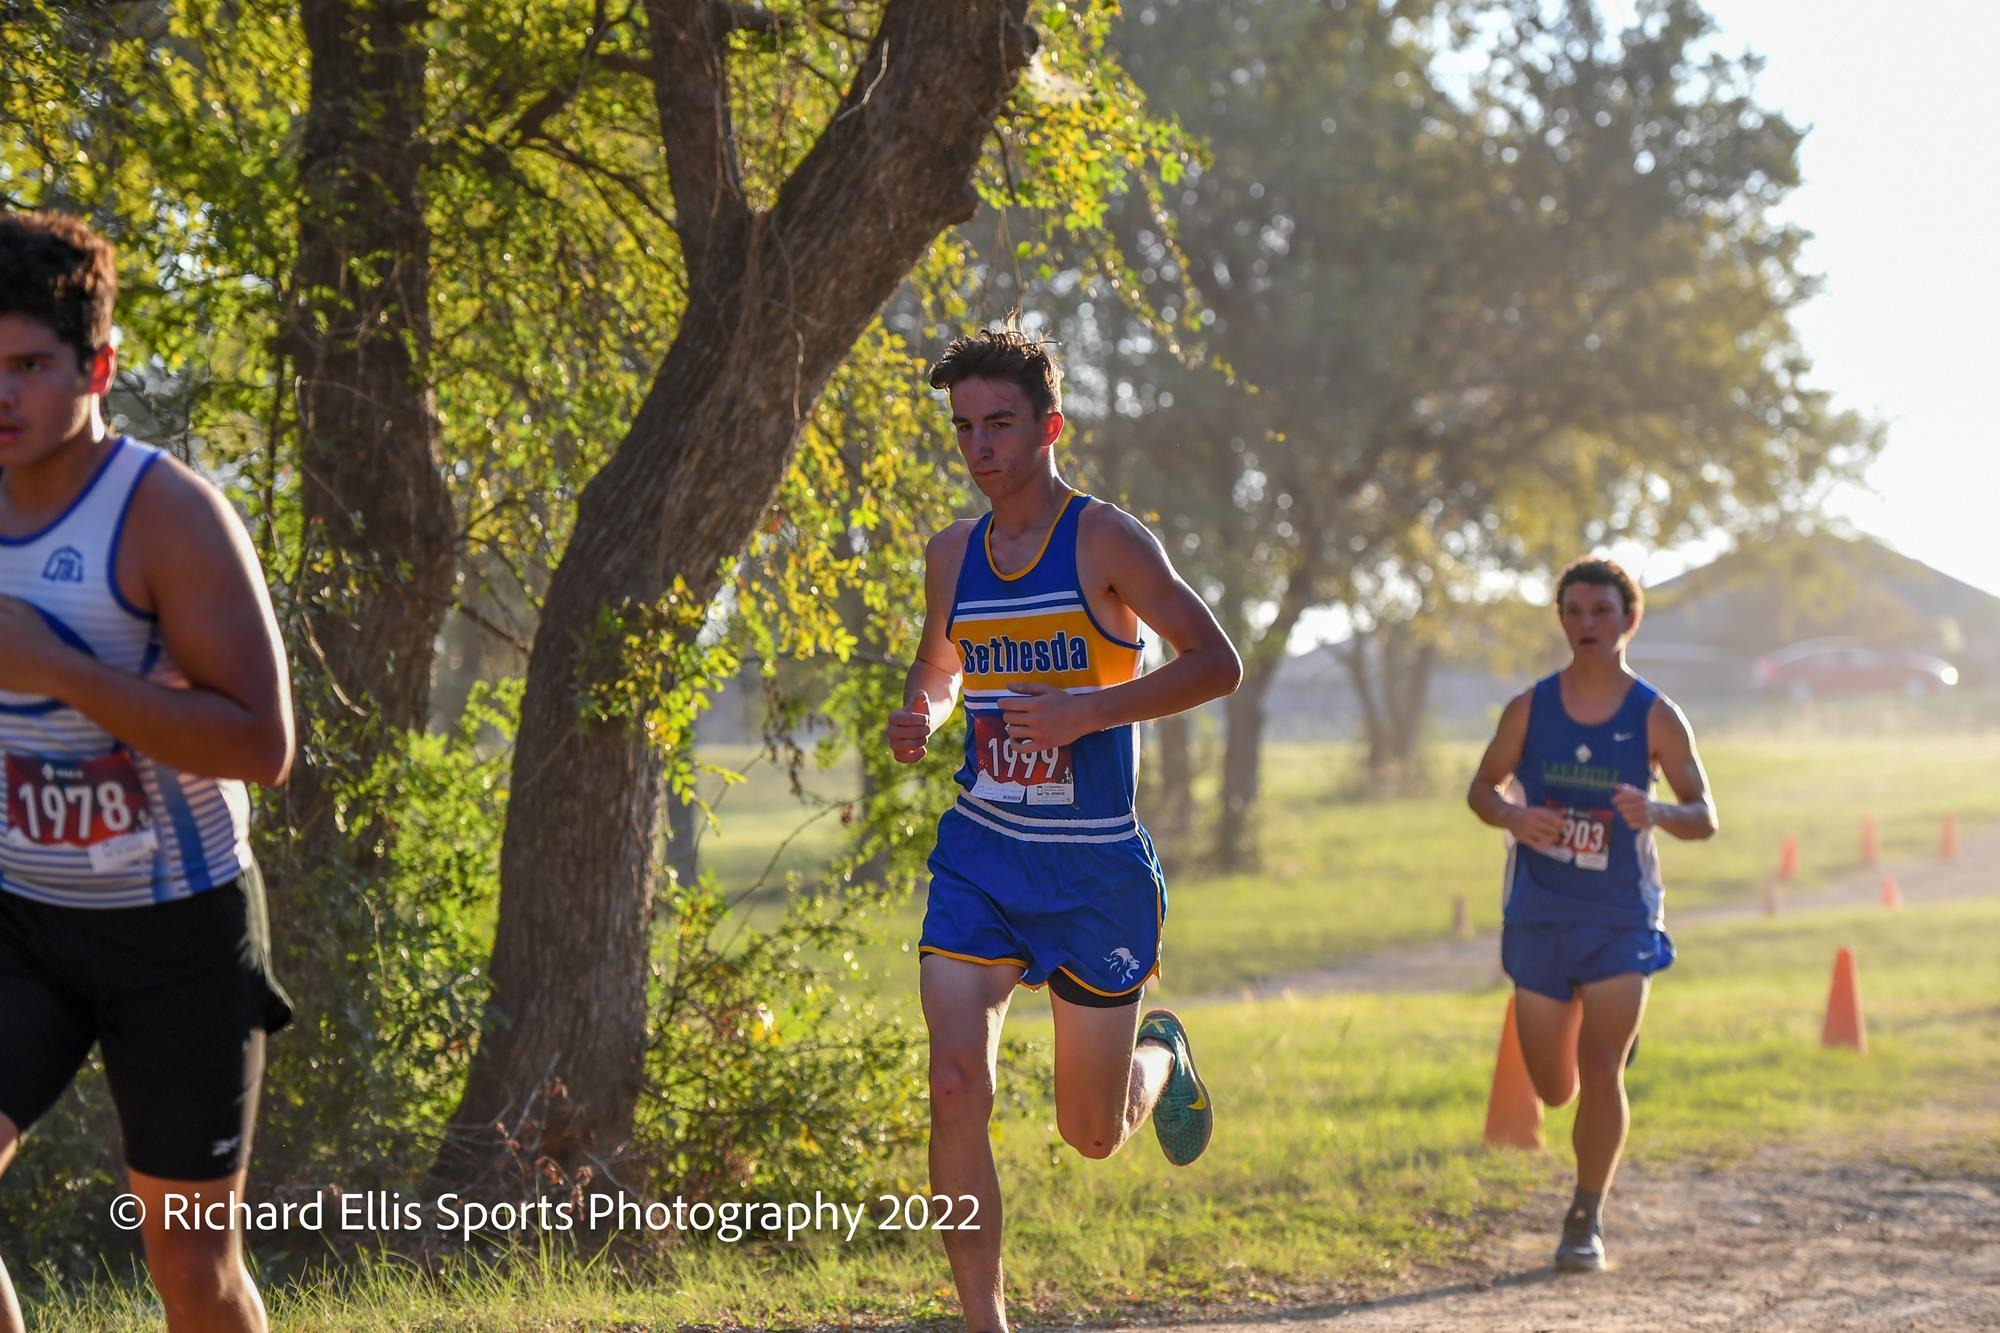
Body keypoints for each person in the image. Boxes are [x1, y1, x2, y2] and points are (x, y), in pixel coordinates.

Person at [886, 317, 1241, 1332]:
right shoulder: (950, 555)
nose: (978, 447)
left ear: (1050, 426)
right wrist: (924, 711)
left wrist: (1089, 708)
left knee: (1089, 1133)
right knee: (955, 1085)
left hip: (1092, 869)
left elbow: (1216, 663)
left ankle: (1159, 1058)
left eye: (998, 423)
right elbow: (942, 666)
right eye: (961, 429)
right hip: (982, 855)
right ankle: (984, 1325)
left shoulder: (1106, 540)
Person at [0, 211, 295, 1333]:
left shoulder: (165, 515)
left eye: (30, 364)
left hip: (177, 930)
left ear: (98, 367)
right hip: (20, 916)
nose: (5, 395)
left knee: (190, 1268)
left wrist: (57, 668)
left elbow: (262, 745)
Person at [1467, 557, 1717, 1272]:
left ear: (1628, 619)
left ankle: (1585, 1215)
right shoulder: (1529, 709)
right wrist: (1516, 817)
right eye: (1574, 611)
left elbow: (1706, 814)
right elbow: (1481, 788)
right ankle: (1599, 1045)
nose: (1587, 624)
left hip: (1620, 916)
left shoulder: (1656, 715)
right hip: (1540, 914)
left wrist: (1661, 810)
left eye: (1601, 611)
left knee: (1601, 1066)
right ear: (1561, 620)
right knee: (1555, 1084)